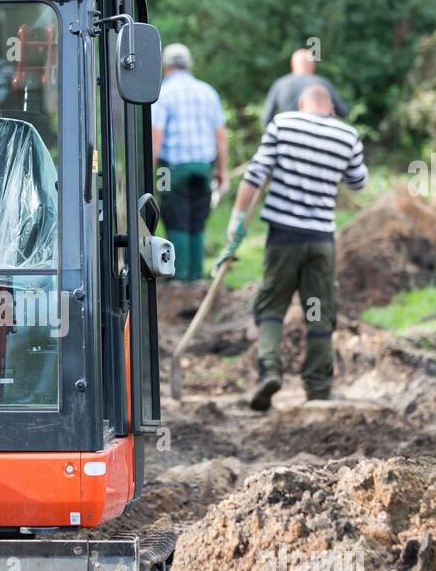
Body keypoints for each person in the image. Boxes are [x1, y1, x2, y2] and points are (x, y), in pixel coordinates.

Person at [217, 84, 367, 411]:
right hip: (320, 239)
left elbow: (255, 176)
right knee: (319, 311)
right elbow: (358, 181)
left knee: (271, 305)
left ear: (302, 104)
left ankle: (269, 370)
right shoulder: (347, 135)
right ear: (329, 107)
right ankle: (317, 388)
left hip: (283, 235)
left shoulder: (283, 125)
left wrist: (237, 222)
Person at [151, 43, 229, 281]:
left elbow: (157, 136)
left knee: (176, 217)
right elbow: (220, 136)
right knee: (197, 219)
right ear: (189, 64)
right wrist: (222, 171)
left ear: (166, 66)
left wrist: (148, 170)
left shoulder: (163, 93)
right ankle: (197, 277)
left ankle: (180, 275)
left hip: (174, 170)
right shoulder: (207, 91)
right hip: (203, 168)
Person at [262, 48, 350, 128]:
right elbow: (343, 112)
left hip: (287, 135)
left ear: (292, 65)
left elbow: (266, 117)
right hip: (317, 138)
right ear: (313, 65)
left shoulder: (279, 84)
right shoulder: (323, 84)